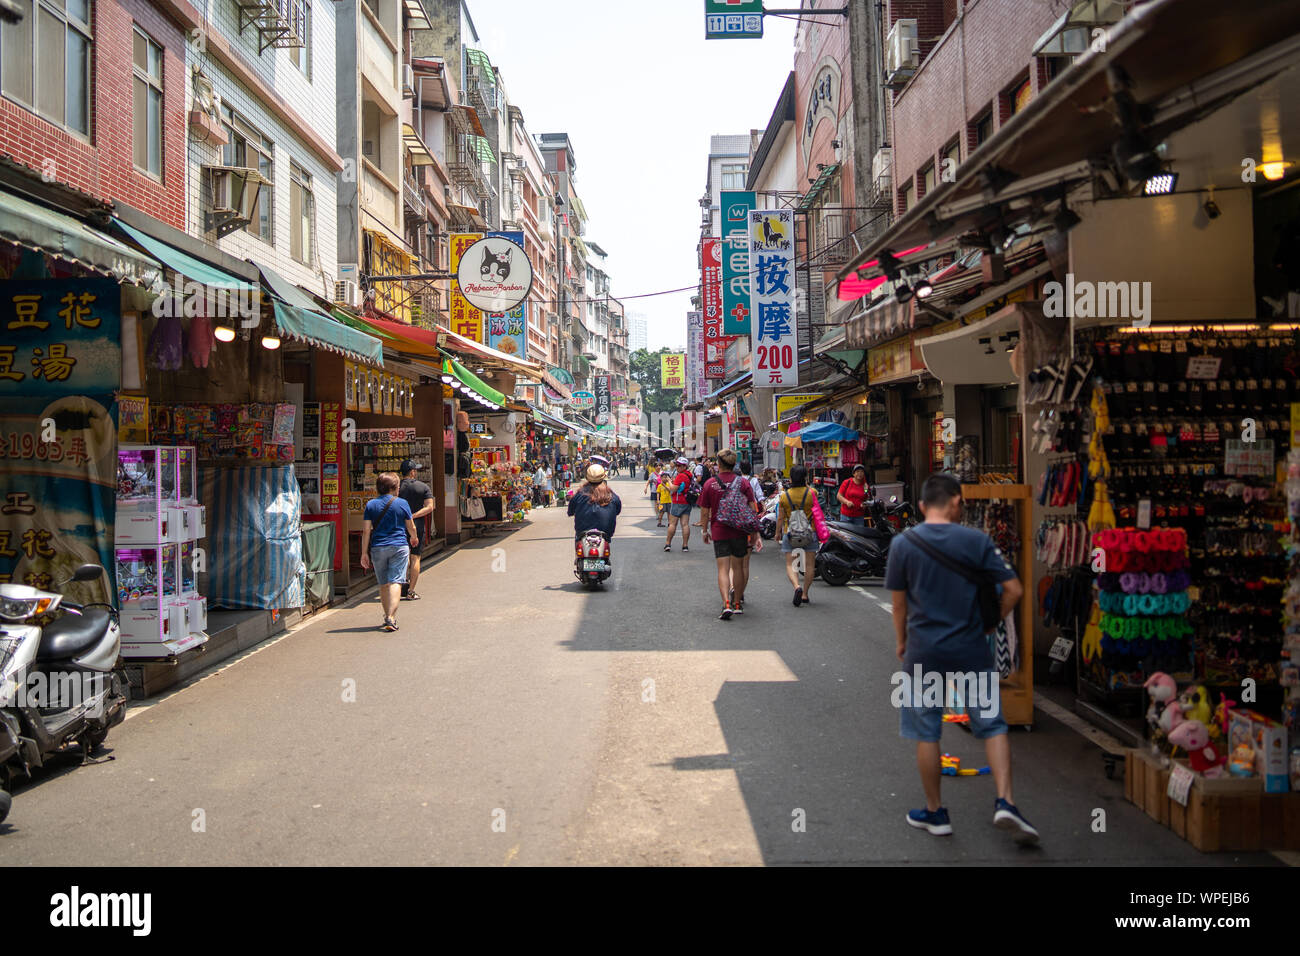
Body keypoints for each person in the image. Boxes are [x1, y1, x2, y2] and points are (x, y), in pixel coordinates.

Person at [885, 472, 1035, 844]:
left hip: (923, 650)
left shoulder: (904, 544)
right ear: (956, 502)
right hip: (971, 648)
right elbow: (1014, 589)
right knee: (993, 725)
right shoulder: (977, 540)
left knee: (926, 732)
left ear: (921, 506)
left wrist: (902, 642)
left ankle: (936, 813)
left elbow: (899, 605)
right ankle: (1006, 802)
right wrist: (991, 622)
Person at [698, 448, 759, 620]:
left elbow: (704, 511)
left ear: (718, 464)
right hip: (740, 530)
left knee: (723, 569)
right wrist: (755, 532)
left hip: (719, 530)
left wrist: (704, 530)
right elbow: (753, 509)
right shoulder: (743, 483)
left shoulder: (710, 484)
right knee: (738, 567)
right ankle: (737, 603)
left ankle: (726, 603)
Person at [360, 472, 419, 632]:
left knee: (383, 583)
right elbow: (411, 526)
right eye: (398, 486)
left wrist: (364, 552)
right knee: (396, 581)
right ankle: (391, 617)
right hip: (399, 546)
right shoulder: (402, 503)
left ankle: (387, 615)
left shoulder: (371, 505)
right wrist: (414, 538)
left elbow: (366, 530)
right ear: (393, 488)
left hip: (378, 547)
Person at [777, 464, 818, 606]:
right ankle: (805, 594)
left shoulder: (784, 496)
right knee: (810, 565)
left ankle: (797, 586)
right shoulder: (812, 493)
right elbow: (818, 512)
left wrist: (777, 533)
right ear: (805, 477)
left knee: (791, 564)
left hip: (790, 533)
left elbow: (780, 518)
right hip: (810, 532)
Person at [397, 460, 435, 601]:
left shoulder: (395, 487)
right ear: (412, 472)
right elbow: (430, 507)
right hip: (417, 526)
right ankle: (411, 591)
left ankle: (399, 586)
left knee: (402, 557)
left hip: (399, 526)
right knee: (415, 557)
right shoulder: (422, 487)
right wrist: (413, 515)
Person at [568, 463, 622, 541]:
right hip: (606, 534)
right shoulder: (610, 494)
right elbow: (618, 510)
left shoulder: (580, 494)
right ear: (603, 477)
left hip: (582, 533)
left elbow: (570, 511)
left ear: (587, 477)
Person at [664, 457, 694, 552]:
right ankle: (685, 546)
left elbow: (673, 488)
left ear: (684, 466)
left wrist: (669, 481)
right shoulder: (689, 475)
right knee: (685, 524)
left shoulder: (681, 476)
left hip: (678, 501)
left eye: (679, 465)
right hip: (687, 501)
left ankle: (668, 544)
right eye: (677, 465)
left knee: (672, 523)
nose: (677, 467)